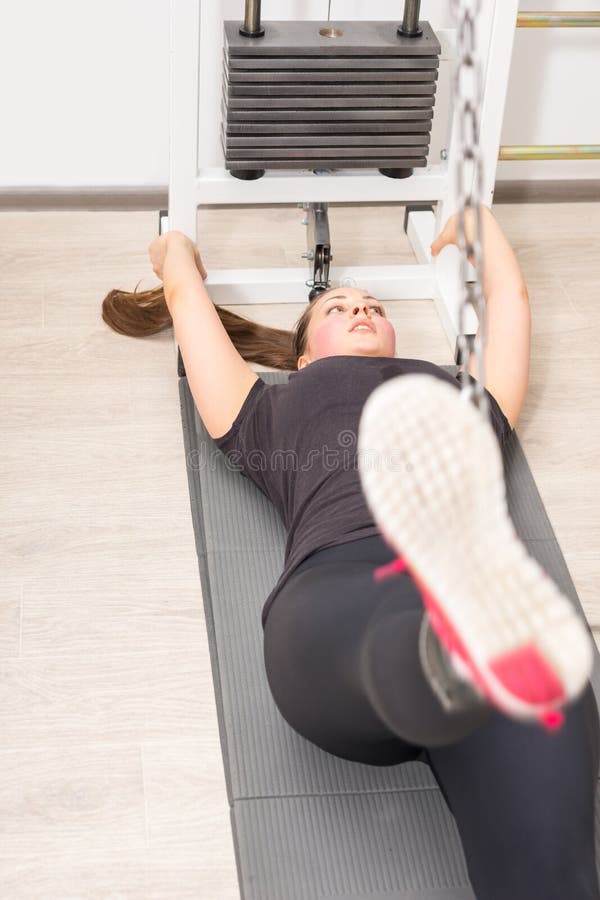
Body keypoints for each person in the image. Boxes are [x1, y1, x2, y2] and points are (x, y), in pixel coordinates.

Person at [102, 205, 600, 899]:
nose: (361, 308)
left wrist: (485, 231)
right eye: (338, 306)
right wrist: (175, 251)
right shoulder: (273, 410)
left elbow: (510, 310)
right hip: (341, 605)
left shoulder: (460, 395)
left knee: (552, 866)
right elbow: (189, 305)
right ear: (304, 355)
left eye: (372, 304)